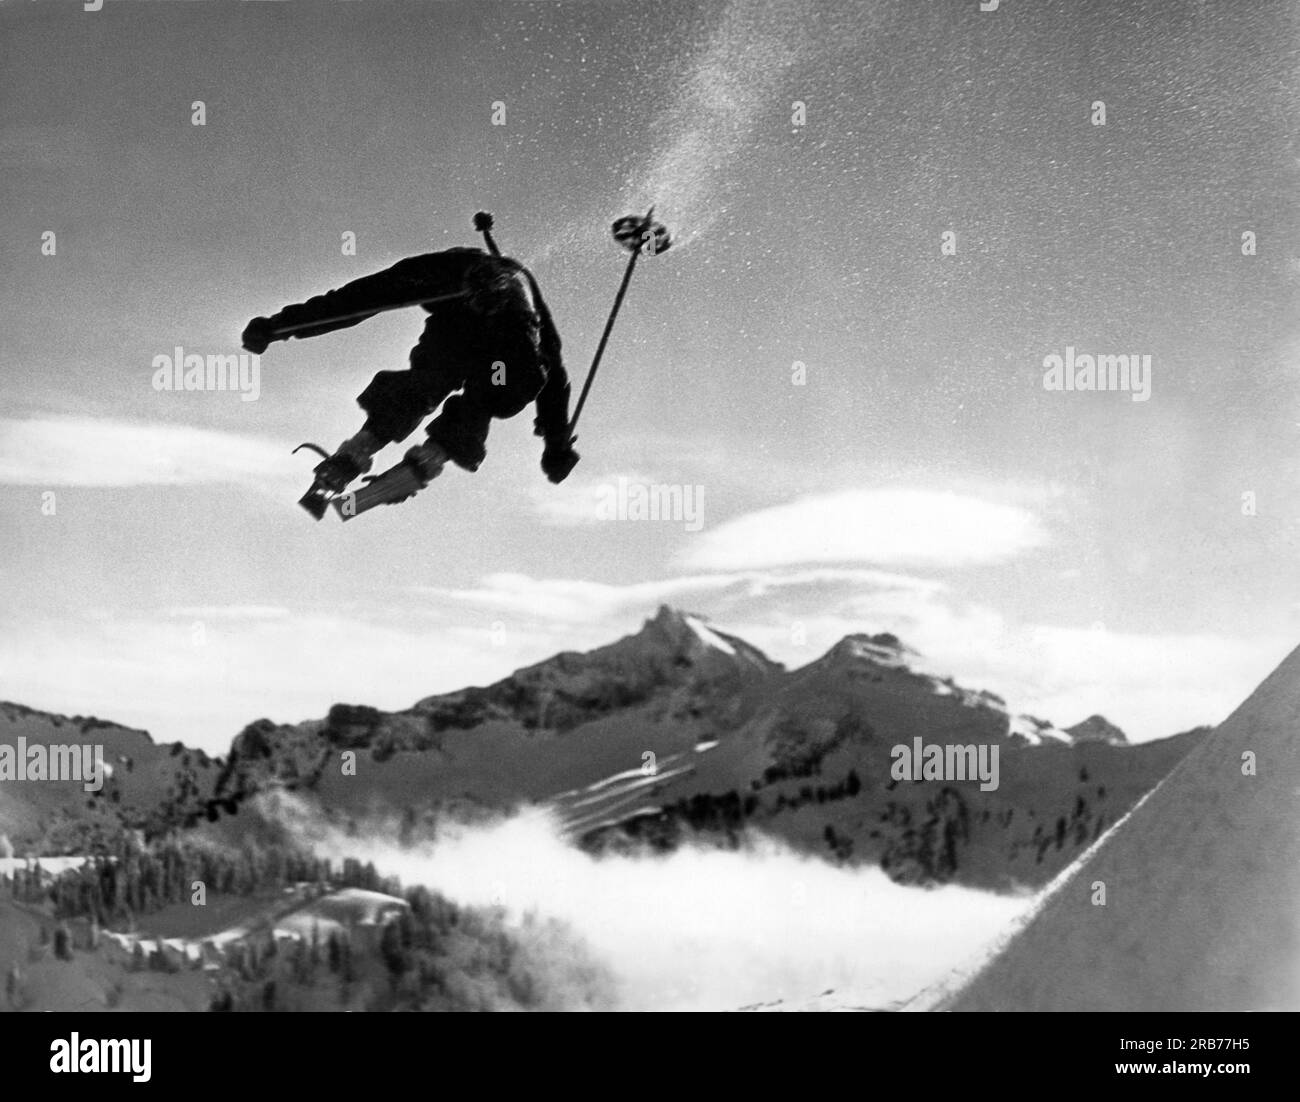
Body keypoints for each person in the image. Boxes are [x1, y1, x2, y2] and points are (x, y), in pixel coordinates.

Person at [241, 246, 580, 510]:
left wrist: (557, 444)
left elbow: (553, 379)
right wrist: (281, 326)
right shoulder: (435, 274)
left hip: (499, 355)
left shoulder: (520, 318)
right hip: (457, 335)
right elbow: (353, 302)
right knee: (445, 380)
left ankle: (403, 450)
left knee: (494, 384)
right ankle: (382, 448)